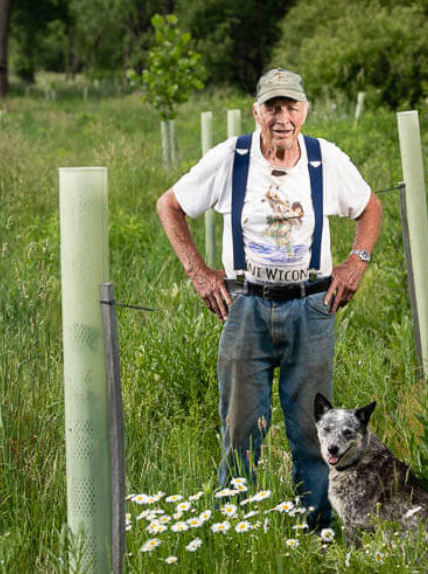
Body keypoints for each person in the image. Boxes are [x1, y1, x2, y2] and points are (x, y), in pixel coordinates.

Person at [156, 68, 382, 528]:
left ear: (305, 111)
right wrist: (199, 273)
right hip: (246, 307)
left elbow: (370, 208)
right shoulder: (232, 158)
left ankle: (316, 531)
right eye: (273, 107)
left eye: (291, 107)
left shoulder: (324, 158)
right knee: (240, 428)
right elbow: (170, 205)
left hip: (311, 307)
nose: (283, 118)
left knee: (313, 432)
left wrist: (356, 263)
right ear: (256, 112)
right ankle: (234, 528)